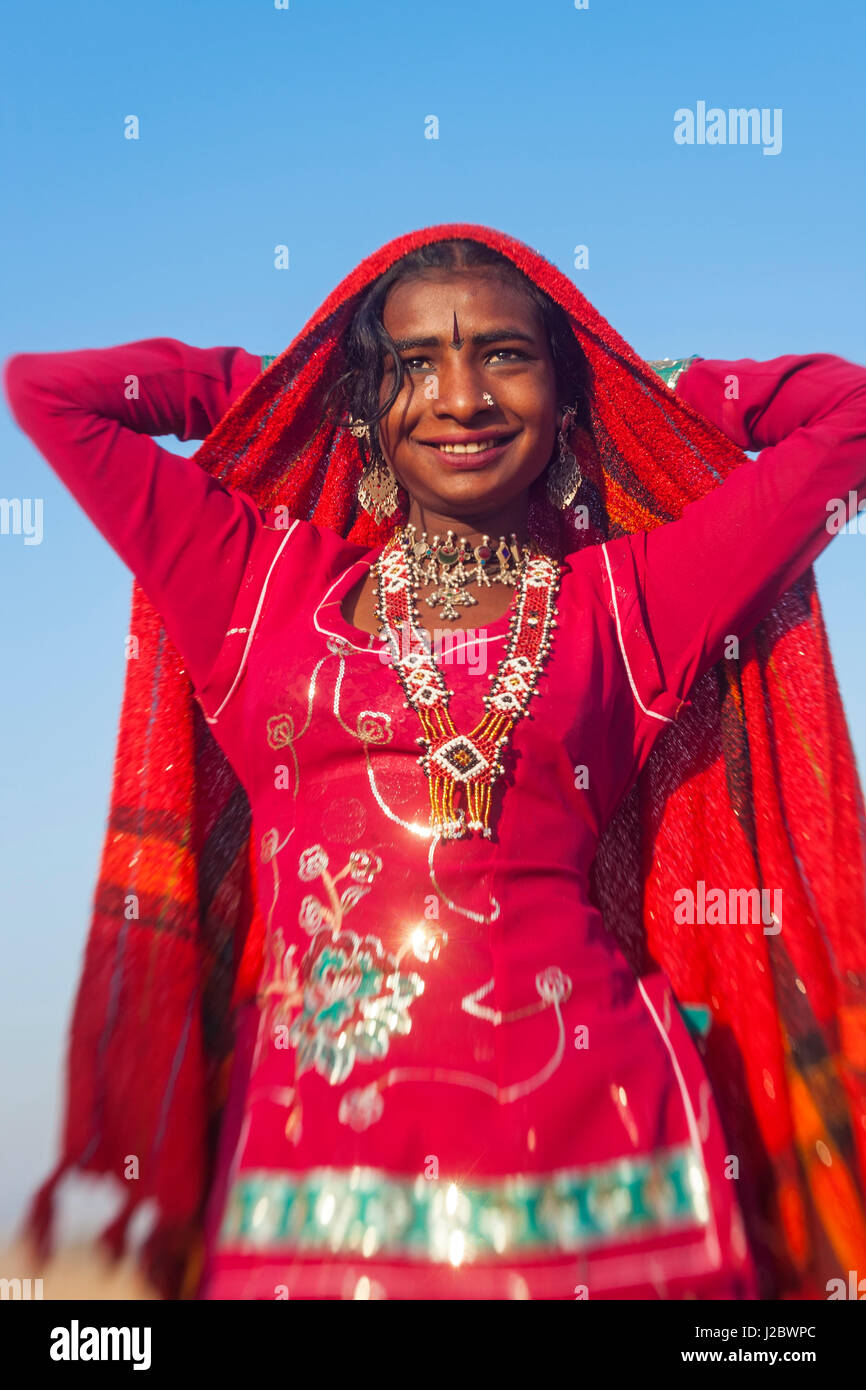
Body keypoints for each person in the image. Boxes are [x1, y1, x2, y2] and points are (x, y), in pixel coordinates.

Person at [4, 225, 866, 1301]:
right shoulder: (252, 591)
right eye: (412, 364)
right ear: (366, 402)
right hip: (312, 1193)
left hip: (611, 1181)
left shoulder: (629, 603)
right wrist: (286, 392)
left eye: (505, 354)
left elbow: (850, 418)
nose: (462, 397)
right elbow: (48, 393)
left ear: (562, 395)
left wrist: (665, 385)